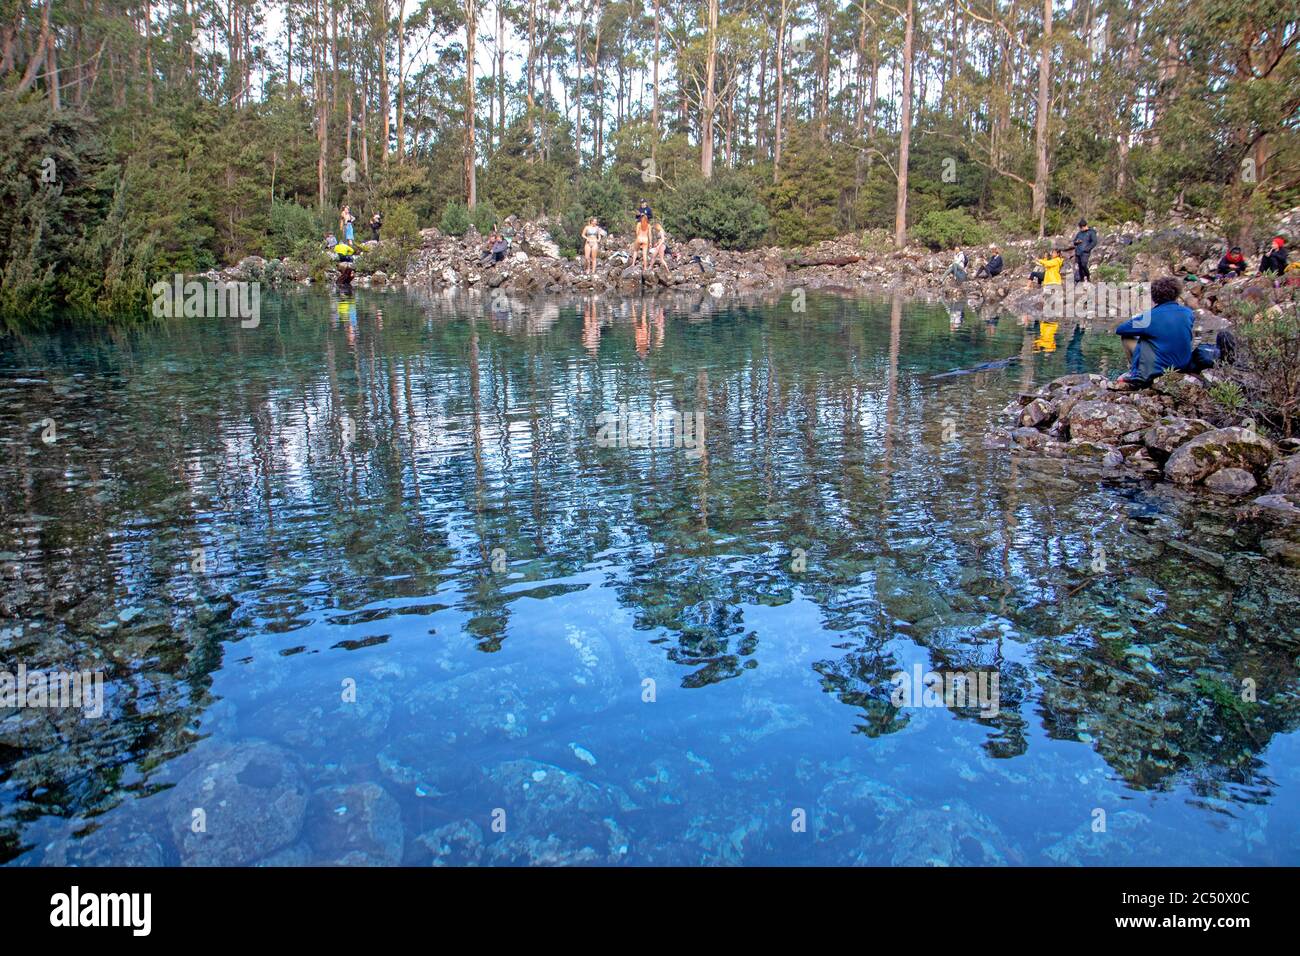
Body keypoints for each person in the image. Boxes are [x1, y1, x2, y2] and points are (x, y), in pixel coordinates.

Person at [1114, 276, 1193, 386]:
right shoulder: (1188, 313)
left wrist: (1139, 317)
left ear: (1154, 296)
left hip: (1160, 369)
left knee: (1127, 337)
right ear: (1176, 293)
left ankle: (1136, 372)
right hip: (1184, 365)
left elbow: (1120, 329)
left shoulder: (1150, 317)